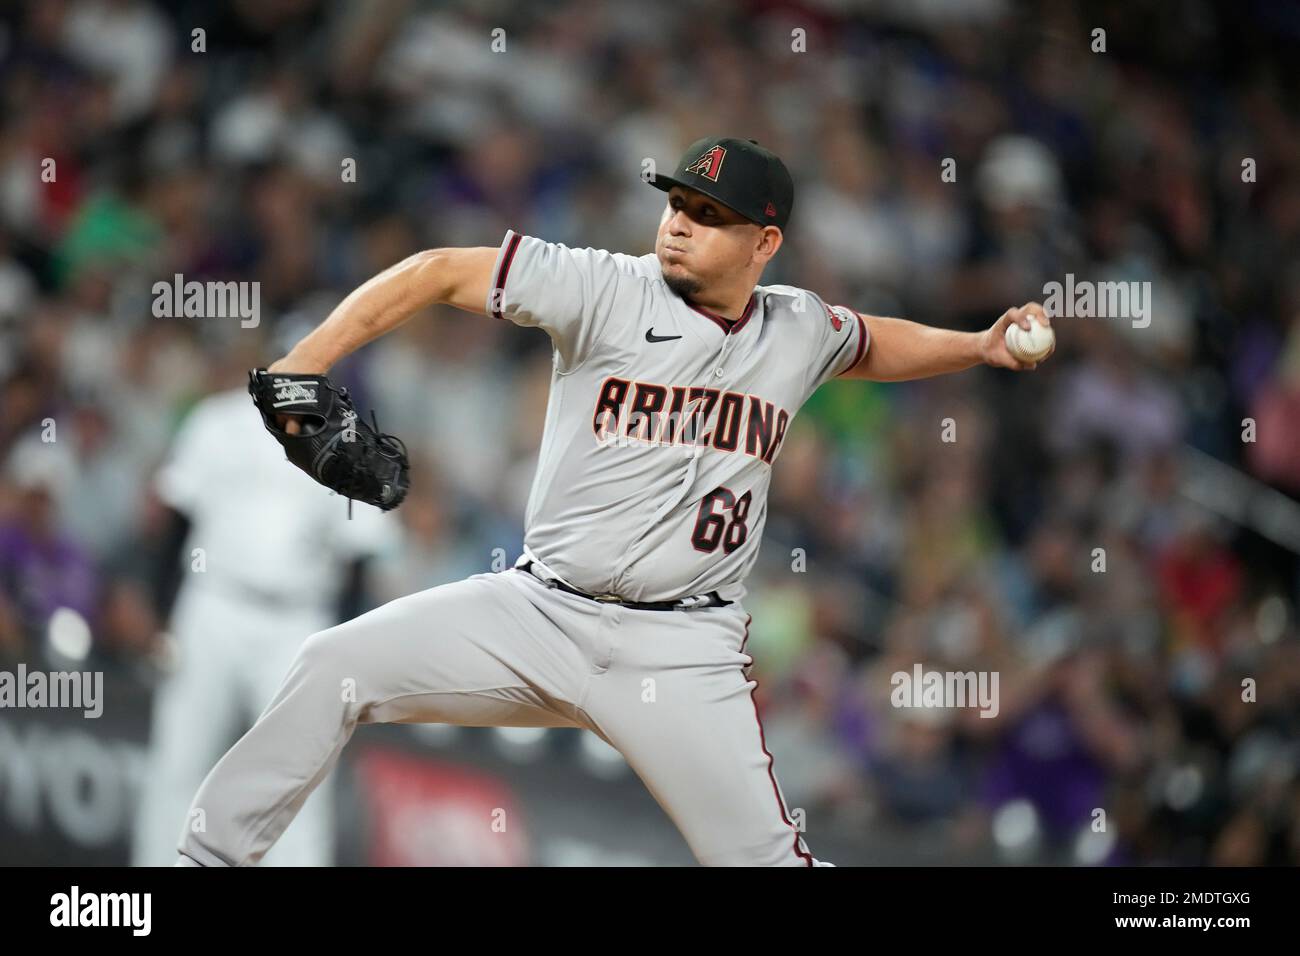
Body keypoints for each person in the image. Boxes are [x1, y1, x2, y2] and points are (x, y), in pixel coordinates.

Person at [175, 137, 1051, 867]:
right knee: (333, 665)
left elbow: (871, 343)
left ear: (765, 244)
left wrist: (978, 345)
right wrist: (305, 361)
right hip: (537, 610)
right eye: (676, 203)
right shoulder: (602, 286)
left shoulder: (796, 328)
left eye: (709, 216)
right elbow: (440, 271)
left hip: (683, 649)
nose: (679, 225)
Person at [135, 352, 398, 866]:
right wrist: (160, 607)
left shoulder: (347, 439)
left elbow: (361, 556)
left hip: (297, 623)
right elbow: (178, 516)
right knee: (181, 757)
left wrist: (346, 648)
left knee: (296, 775)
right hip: (213, 603)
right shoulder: (218, 420)